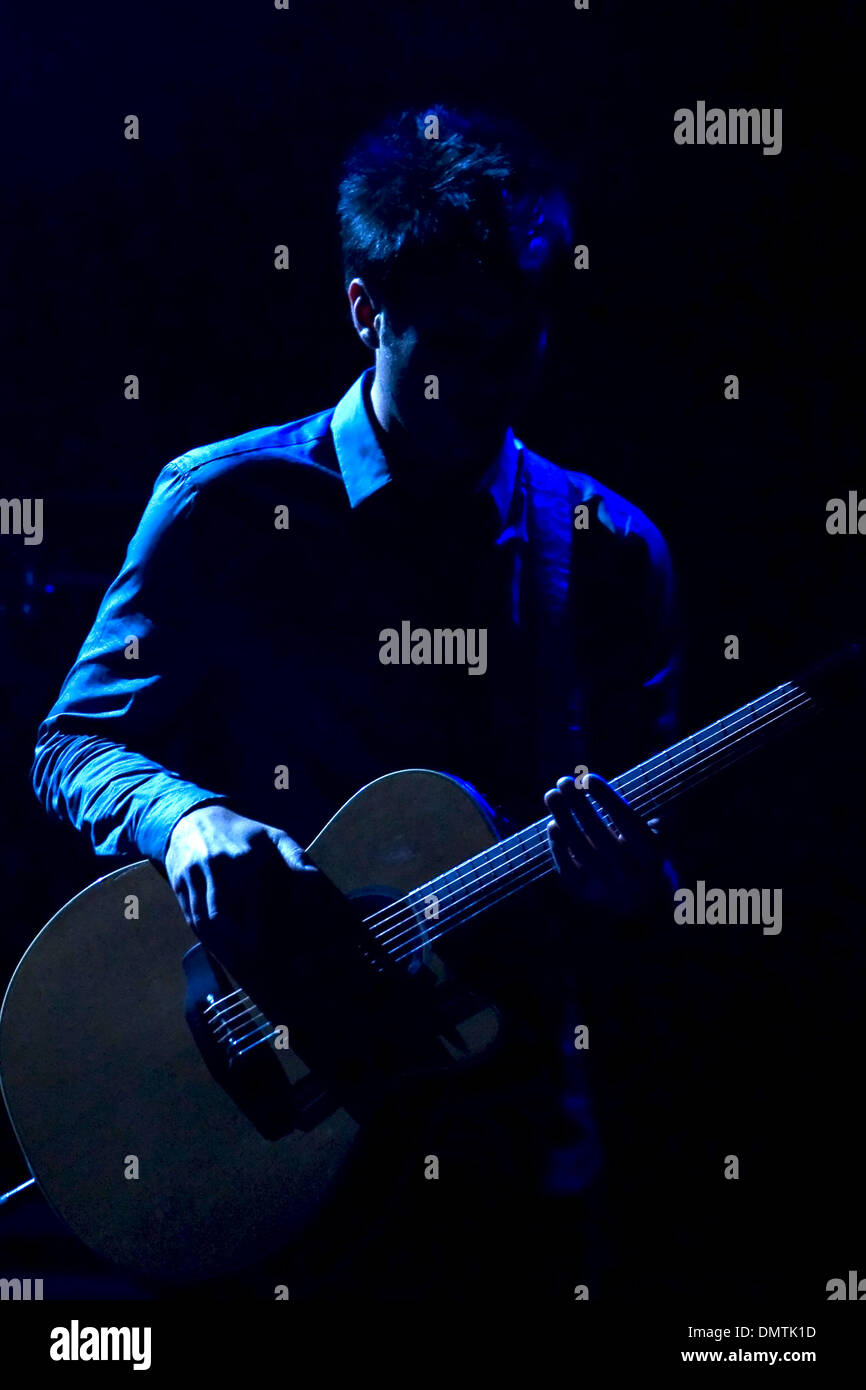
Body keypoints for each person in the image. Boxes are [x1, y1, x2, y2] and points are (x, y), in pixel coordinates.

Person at [31, 106, 680, 1299]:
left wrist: (639, 892)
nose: (484, 387)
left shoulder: (609, 554)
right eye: (451, 345)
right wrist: (182, 819)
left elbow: (648, 881)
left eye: (517, 346)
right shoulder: (221, 507)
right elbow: (73, 740)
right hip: (266, 1141)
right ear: (362, 307)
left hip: (511, 1167)